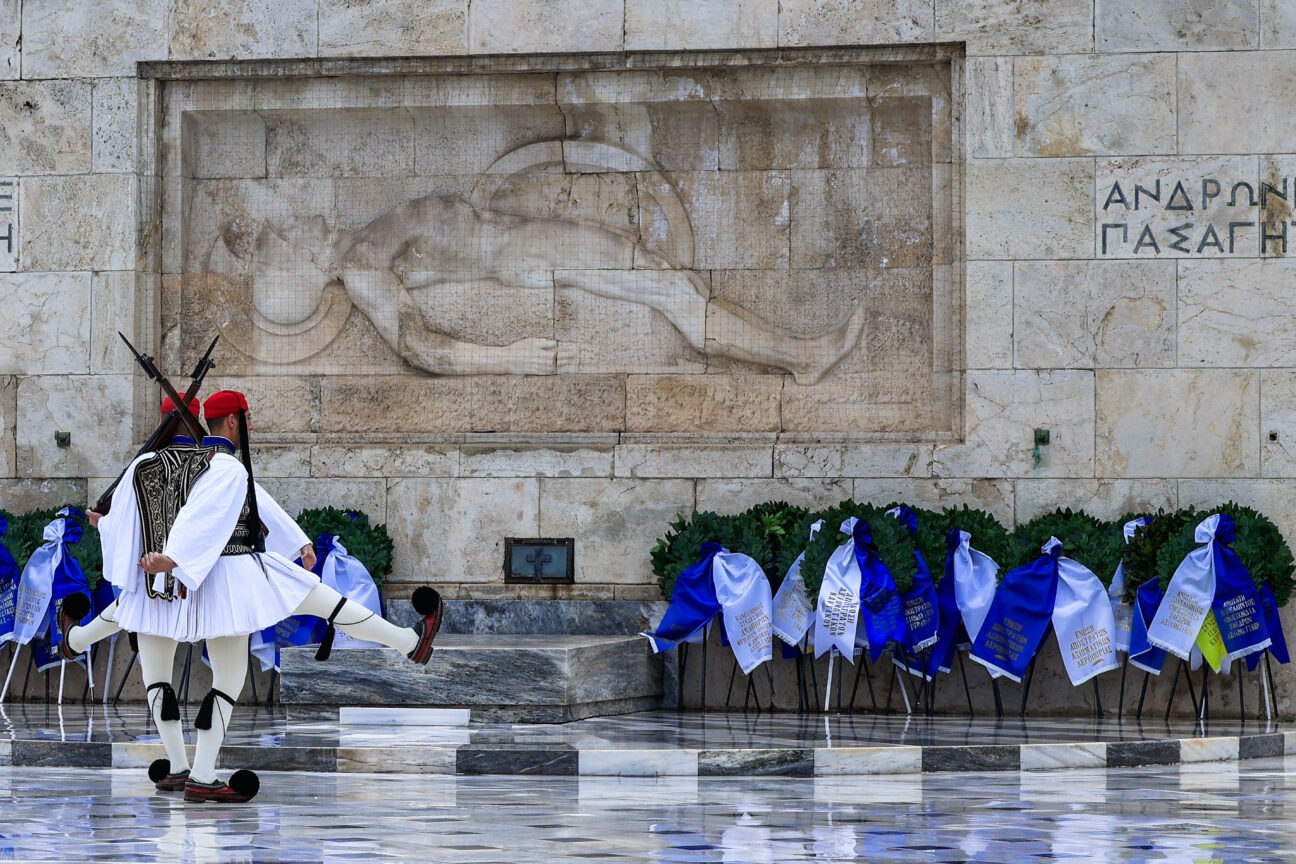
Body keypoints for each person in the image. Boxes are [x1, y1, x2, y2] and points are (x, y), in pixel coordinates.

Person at [64, 390, 443, 803]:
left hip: (164, 582)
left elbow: (126, 522)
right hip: (224, 575)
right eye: (247, 418)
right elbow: (208, 516)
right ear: (232, 421)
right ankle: (201, 774)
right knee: (310, 607)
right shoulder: (221, 465)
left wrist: (113, 532)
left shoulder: (150, 466)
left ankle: (178, 766)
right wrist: (176, 559)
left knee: (156, 666)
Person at [217, 190, 867, 384]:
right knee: (672, 290)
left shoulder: (366, 238)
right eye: (291, 233)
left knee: (674, 284)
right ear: (305, 260)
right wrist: (513, 357)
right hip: (525, 253)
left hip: (528, 240)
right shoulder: (362, 265)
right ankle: (800, 356)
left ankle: (794, 353)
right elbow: (418, 345)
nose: (302, 219)